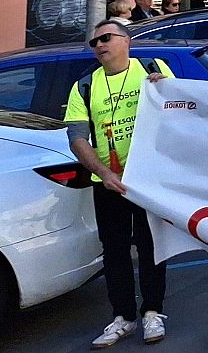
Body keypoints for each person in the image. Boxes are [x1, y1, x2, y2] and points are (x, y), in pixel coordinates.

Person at [66, 21, 173, 349]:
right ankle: (123, 316)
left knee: (151, 246)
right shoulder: (85, 86)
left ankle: (152, 311)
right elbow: (77, 137)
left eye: (106, 38)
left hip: (148, 179)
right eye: (94, 41)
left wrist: (164, 90)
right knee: (114, 250)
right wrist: (104, 173)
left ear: (126, 41)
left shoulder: (153, 69)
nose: (99, 44)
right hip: (109, 182)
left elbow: (183, 112)